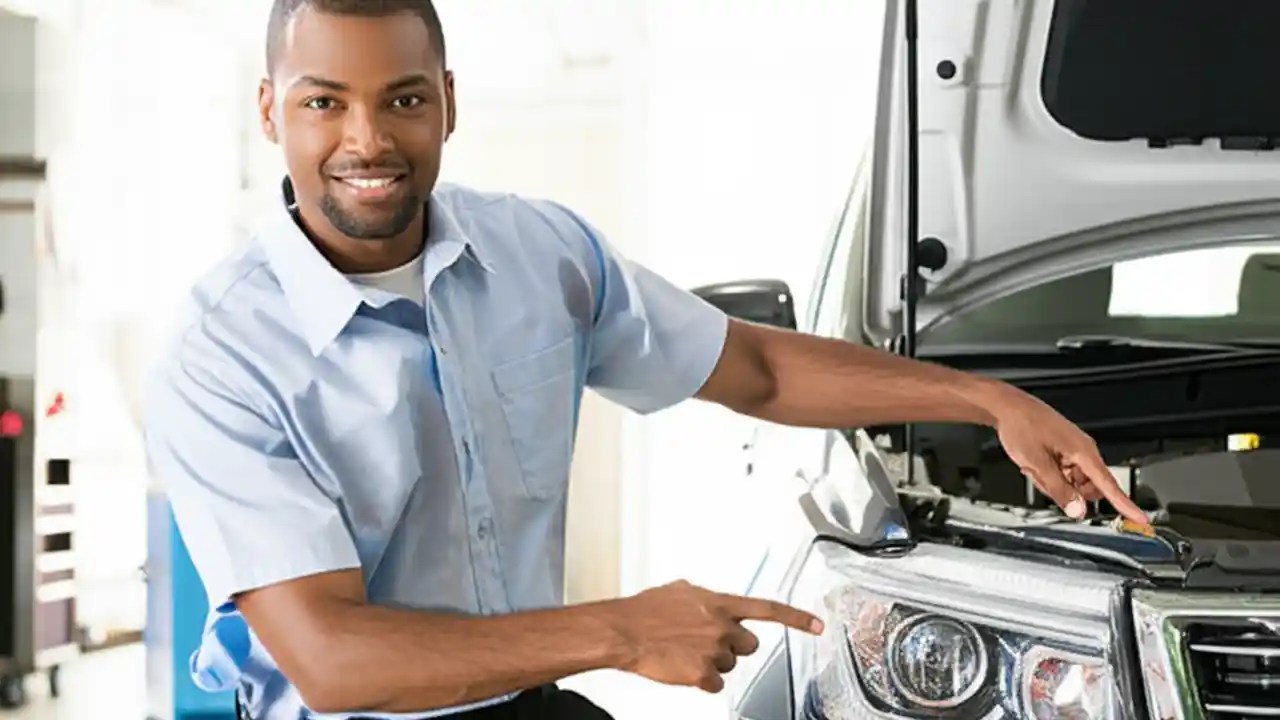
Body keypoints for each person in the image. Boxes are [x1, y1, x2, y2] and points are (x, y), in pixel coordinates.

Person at [141, 1, 1151, 719]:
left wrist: (985, 401)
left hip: (523, 702)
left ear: (445, 103)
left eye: (401, 99)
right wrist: (624, 632)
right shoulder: (224, 354)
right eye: (324, 103)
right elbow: (330, 659)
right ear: (271, 111)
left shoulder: (540, 256)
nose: (366, 138)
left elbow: (752, 366)